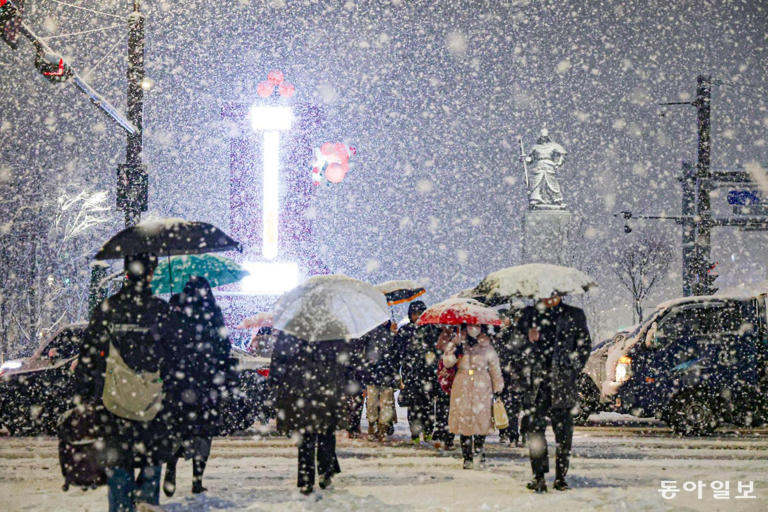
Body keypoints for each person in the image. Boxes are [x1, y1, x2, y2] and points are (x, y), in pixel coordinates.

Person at [73, 253, 174, 512]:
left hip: (112, 400)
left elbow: (88, 356)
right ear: (150, 274)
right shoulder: (160, 310)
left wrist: (84, 394)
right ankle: (146, 499)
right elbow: (173, 358)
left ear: (126, 272)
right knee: (151, 455)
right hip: (150, 402)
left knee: (118, 460)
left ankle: (121, 507)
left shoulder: (108, 309)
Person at [162, 276, 232, 496]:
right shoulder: (212, 313)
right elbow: (224, 348)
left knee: (178, 428)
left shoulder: (176, 312)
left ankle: (171, 467)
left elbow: (166, 346)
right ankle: (197, 479)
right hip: (205, 384)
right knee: (203, 431)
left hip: (179, 383)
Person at [517, 295, 592, 493]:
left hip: (562, 384)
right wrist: (528, 338)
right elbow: (515, 347)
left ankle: (560, 477)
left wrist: (571, 368)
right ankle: (539, 476)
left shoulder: (573, 315)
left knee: (564, 434)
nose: (548, 297)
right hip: (537, 385)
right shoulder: (529, 315)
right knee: (535, 432)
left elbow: (584, 346)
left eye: (552, 293)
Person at [269, 332, 351, 494]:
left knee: (306, 434)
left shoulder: (293, 329)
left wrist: (275, 380)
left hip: (301, 388)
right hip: (327, 388)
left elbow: (279, 357)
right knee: (326, 432)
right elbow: (345, 359)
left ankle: (306, 479)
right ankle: (325, 471)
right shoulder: (333, 329)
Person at [443, 324, 504, 469]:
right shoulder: (457, 343)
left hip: (481, 384)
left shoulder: (487, 346)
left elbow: (495, 367)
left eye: (476, 325)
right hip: (462, 383)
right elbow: (447, 363)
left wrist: (498, 386)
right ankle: (467, 456)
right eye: (470, 325)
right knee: (464, 420)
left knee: (481, 419)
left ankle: (479, 451)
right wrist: (455, 353)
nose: (473, 328)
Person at [396, 301, 438, 444]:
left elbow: (437, 350)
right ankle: (415, 434)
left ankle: (428, 431)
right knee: (413, 406)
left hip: (428, 374)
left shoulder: (431, 329)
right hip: (411, 374)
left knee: (428, 405)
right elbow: (397, 352)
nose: (417, 316)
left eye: (420, 313)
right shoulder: (405, 331)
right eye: (415, 313)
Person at [495, 307, 527, 446]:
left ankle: (518, 435)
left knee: (519, 407)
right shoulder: (504, 335)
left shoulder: (522, 334)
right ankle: (513, 435)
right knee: (512, 407)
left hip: (517, 376)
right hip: (512, 376)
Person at [362, 320, 399, 440]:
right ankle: (372, 425)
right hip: (374, 373)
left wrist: (395, 335)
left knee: (386, 404)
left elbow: (396, 354)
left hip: (386, 374)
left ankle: (382, 428)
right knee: (372, 403)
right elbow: (365, 352)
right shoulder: (370, 331)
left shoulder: (391, 331)